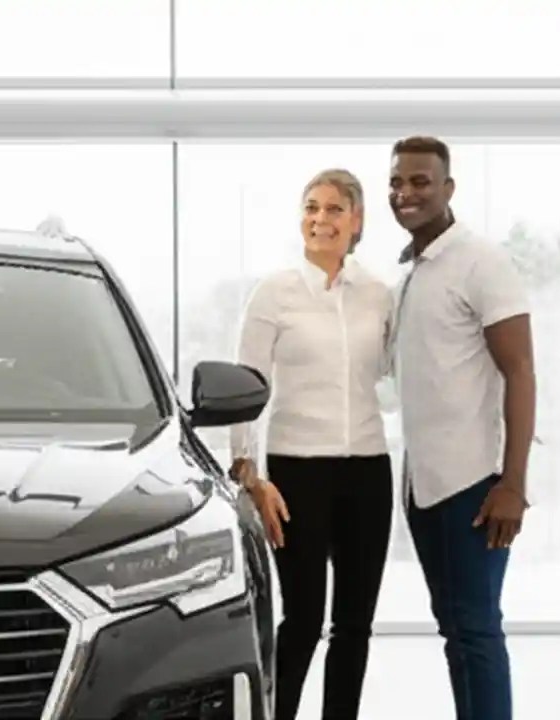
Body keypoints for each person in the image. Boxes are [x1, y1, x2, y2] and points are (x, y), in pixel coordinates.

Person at [229, 168, 395, 720]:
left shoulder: (379, 295)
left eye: (333, 210)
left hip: (368, 470)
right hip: (296, 472)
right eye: (311, 208)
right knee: (301, 620)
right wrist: (251, 477)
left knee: (354, 626)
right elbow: (247, 387)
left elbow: (402, 370)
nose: (320, 220)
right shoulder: (273, 293)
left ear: (357, 220)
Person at [386, 135, 535, 720]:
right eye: (397, 181)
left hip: (474, 485)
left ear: (449, 189)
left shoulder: (481, 261)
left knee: (475, 630)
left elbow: (520, 372)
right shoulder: (415, 271)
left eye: (420, 181)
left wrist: (513, 484)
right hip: (424, 484)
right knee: (457, 630)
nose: (406, 192)